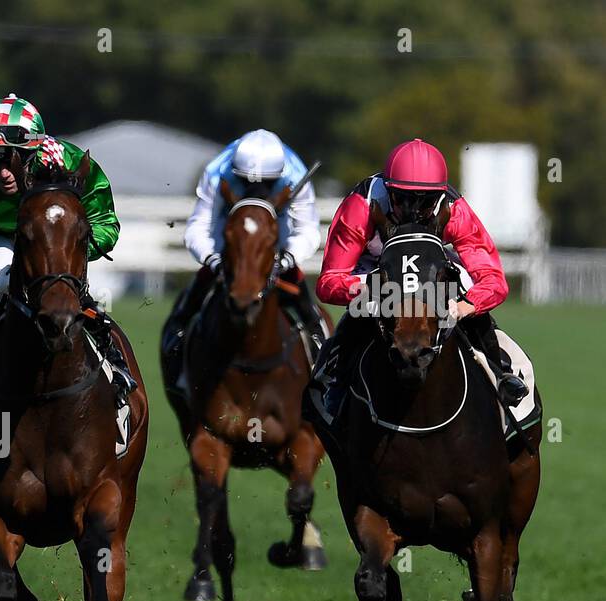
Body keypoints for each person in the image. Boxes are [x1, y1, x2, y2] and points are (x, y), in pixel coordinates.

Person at [0, 92, 134, 402]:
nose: (2, 172)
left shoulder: (72, 163)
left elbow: (106, 226)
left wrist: (63, 253)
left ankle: (118, 370)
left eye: (12, 158)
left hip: (53, 237)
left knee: (67, 289)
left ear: (34, 151)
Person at [315, 137, 525, 414]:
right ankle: (335, 381)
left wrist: (464, 306)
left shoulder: (454, 209)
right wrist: (368, 291)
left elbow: (493, 279)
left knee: (463, 288)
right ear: (388, 191)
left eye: (425, 202)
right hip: (376, 271)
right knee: (358, 313)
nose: (413, 210)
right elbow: (329, 281)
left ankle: (500, 373)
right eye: (402, 200)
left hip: (431, 268)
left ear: (440, 197)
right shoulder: (361, 206)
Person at [167, 128, 326, 354]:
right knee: (203, 281)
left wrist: (285, 261)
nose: (257, 189)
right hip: (230, 226)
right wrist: (214, 261)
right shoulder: (216, 174)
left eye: (268, 183)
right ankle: (178, 333)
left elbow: (308, 230)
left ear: (279, 177)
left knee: (298, 286)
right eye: (245, 181)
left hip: (275, 233)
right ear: (236, 173)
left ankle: (317, 335)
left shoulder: (295, 175)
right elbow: (199, 228)